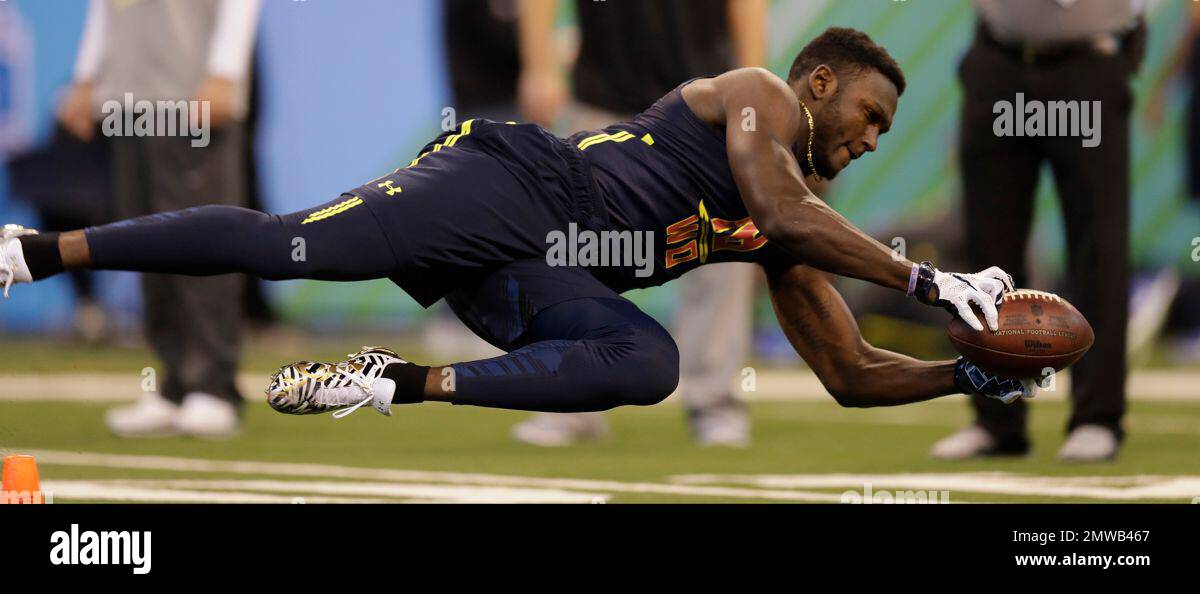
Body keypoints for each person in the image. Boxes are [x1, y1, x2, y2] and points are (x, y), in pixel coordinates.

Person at [0, 28, 1037, 420]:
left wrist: (970, 373)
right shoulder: (758, 91)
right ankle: (32, 254)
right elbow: (773, 205)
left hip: (542, 278)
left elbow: (850, 374)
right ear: (818, 82)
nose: (870, 138)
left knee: (648, 361)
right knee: (290, 244)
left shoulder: (802, 221)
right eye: (868, 115)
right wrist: (930, 282)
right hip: (507, 188)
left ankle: (389, 382)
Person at [511, 0, 766, 447]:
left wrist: (752, 86)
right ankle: (572, 402)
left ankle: (716, 404)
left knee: (722, 250)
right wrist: (539, 67)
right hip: (602, 98)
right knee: (575, 253)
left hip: (704, 100)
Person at [931, 0, 1144, 463]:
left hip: (1087, 61)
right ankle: (994, 417)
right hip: (998, 57)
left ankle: (1096, 417)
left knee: (1097, 246)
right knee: (988, 245)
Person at [55, 0, 263, 438]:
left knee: (201, 239)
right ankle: (175, 383)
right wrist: (86, 75)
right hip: (130, 94)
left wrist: (226, 71)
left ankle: (215, 386)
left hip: (191, 90)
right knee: (145, 238)